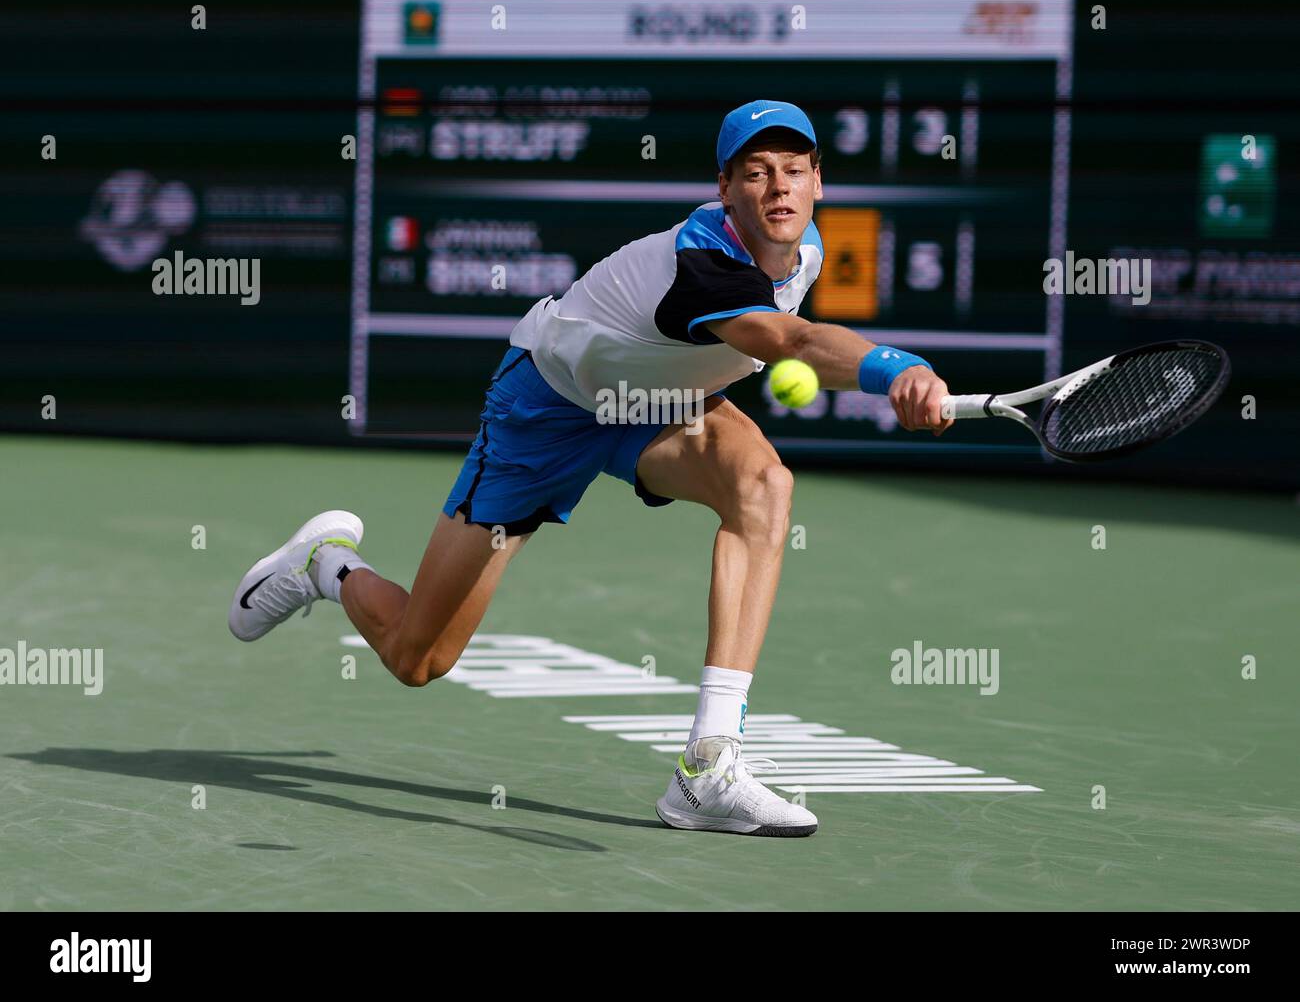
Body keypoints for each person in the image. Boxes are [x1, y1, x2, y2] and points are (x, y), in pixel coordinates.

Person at [228, 100, 953, 837]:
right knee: (419, 656)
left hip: (660, 405)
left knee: (763, 486)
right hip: (547, 408)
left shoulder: (807, 251)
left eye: (794, 172)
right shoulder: (701, 266)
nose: (779, 189)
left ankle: (708, 766)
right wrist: (898, 369)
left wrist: (889, 377)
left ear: (818, 183)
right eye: (758, 174)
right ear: (725, 187)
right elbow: (789, 339)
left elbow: (798, 344)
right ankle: (325, 565)